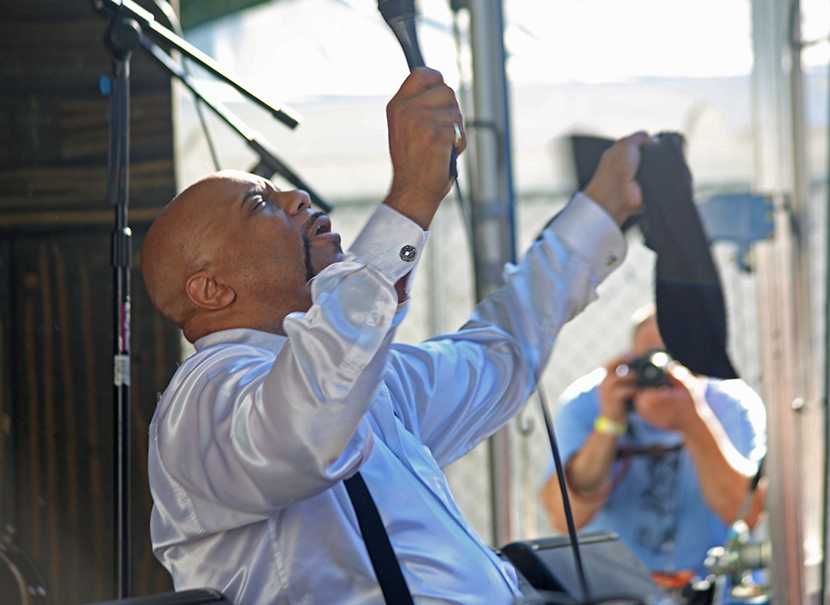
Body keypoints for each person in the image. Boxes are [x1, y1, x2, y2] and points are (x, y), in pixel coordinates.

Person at [141, 67, 653, 604]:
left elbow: (495, 353)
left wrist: (600, 211)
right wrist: (410, 199)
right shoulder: (201, 402)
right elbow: (305, 421)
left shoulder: (363, 386)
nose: (296, 198)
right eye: (259, 204)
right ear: (211, 290)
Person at [540, 304, 767, 588]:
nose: (661, 370)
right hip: (617, 591)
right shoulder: (590, 401)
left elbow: (745, 515)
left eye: (675, 357)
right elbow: (564, 519)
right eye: (650, 358)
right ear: (630, 358)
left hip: (712, 588)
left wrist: (694, 422)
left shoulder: (731, 403)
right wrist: (609, 423)